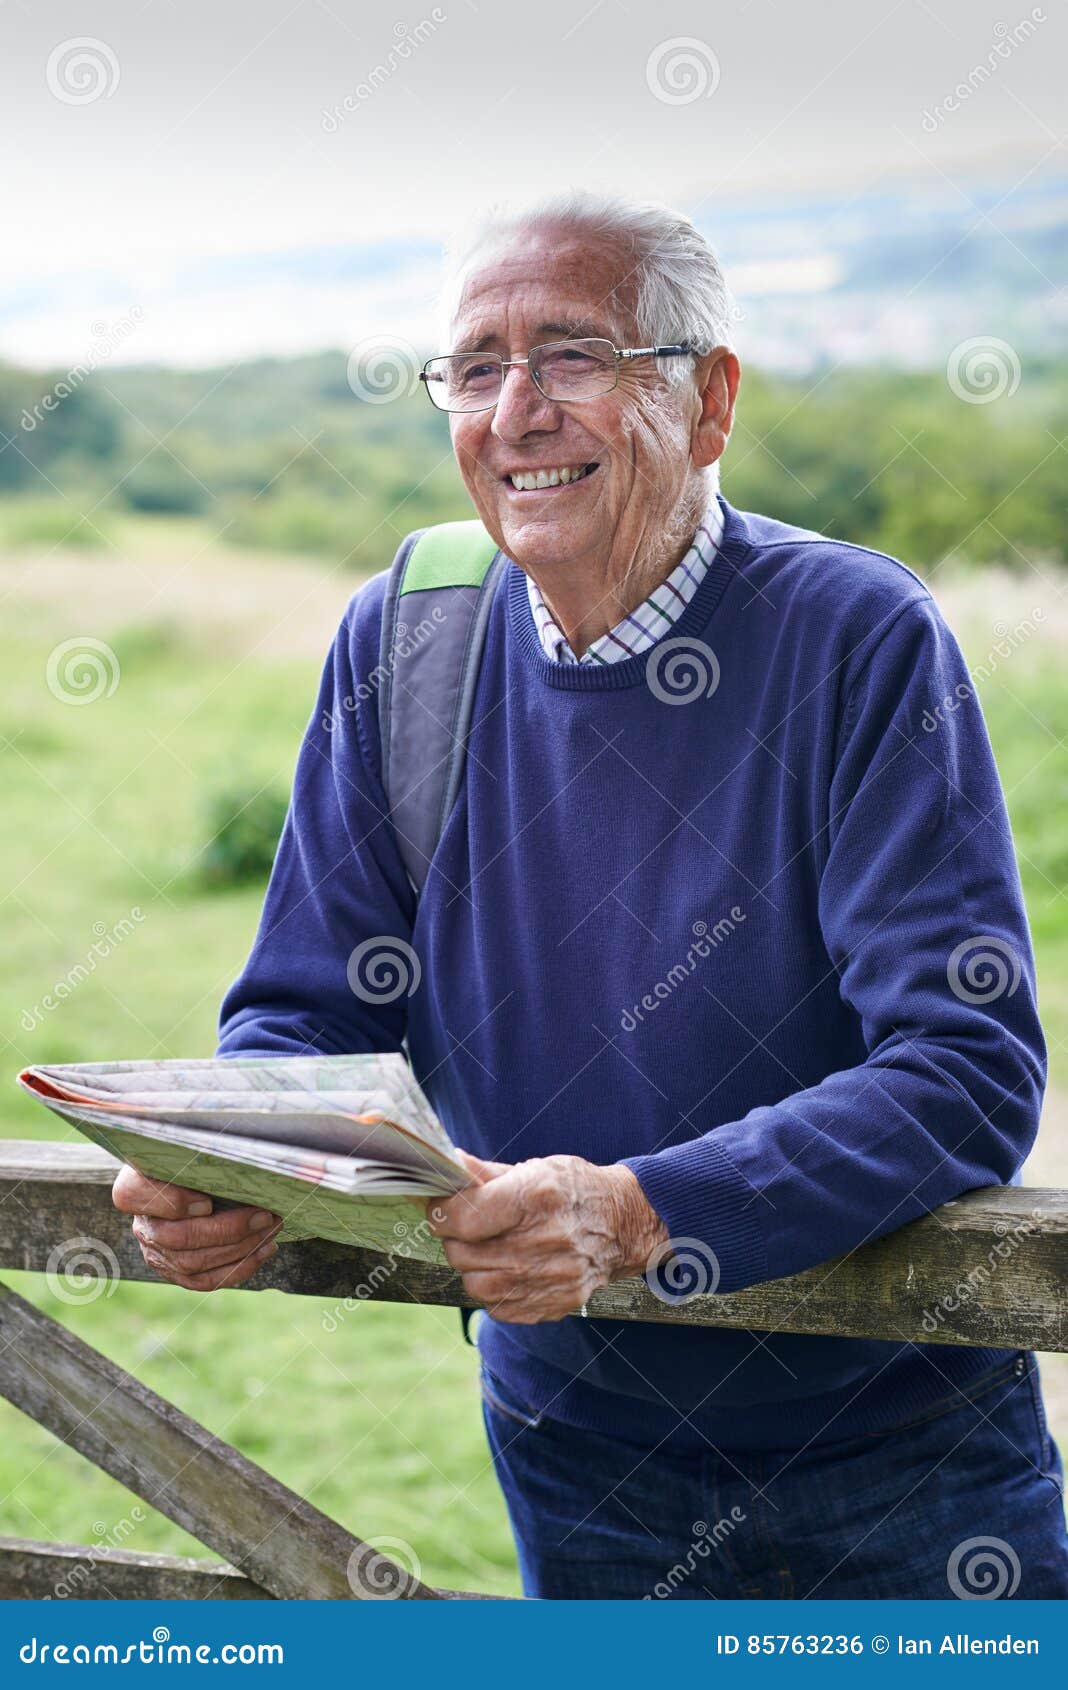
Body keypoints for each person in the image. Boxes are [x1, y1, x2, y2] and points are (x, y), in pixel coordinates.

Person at [113, 191, 1068, 1599]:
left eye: (572, 357)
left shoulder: (857, 636)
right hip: (578, 1447)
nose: (516, 411)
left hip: (896, 1449)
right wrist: (235, 1163)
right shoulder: (407, 636)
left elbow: (967, 1069)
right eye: (477, 366)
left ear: (709, 399)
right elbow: (305, 1007)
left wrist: (639, 1211)